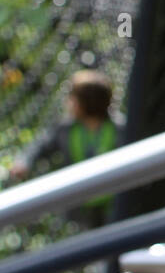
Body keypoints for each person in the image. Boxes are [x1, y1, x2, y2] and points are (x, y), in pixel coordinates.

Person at [10, 69, 122, 228]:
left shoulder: (119, 130)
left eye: (73, 98)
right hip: (78, 213)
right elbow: (40, 146)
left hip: (115, 210)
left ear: (87, 102)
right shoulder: (66, 129)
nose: (68, 103)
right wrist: (23, 162)